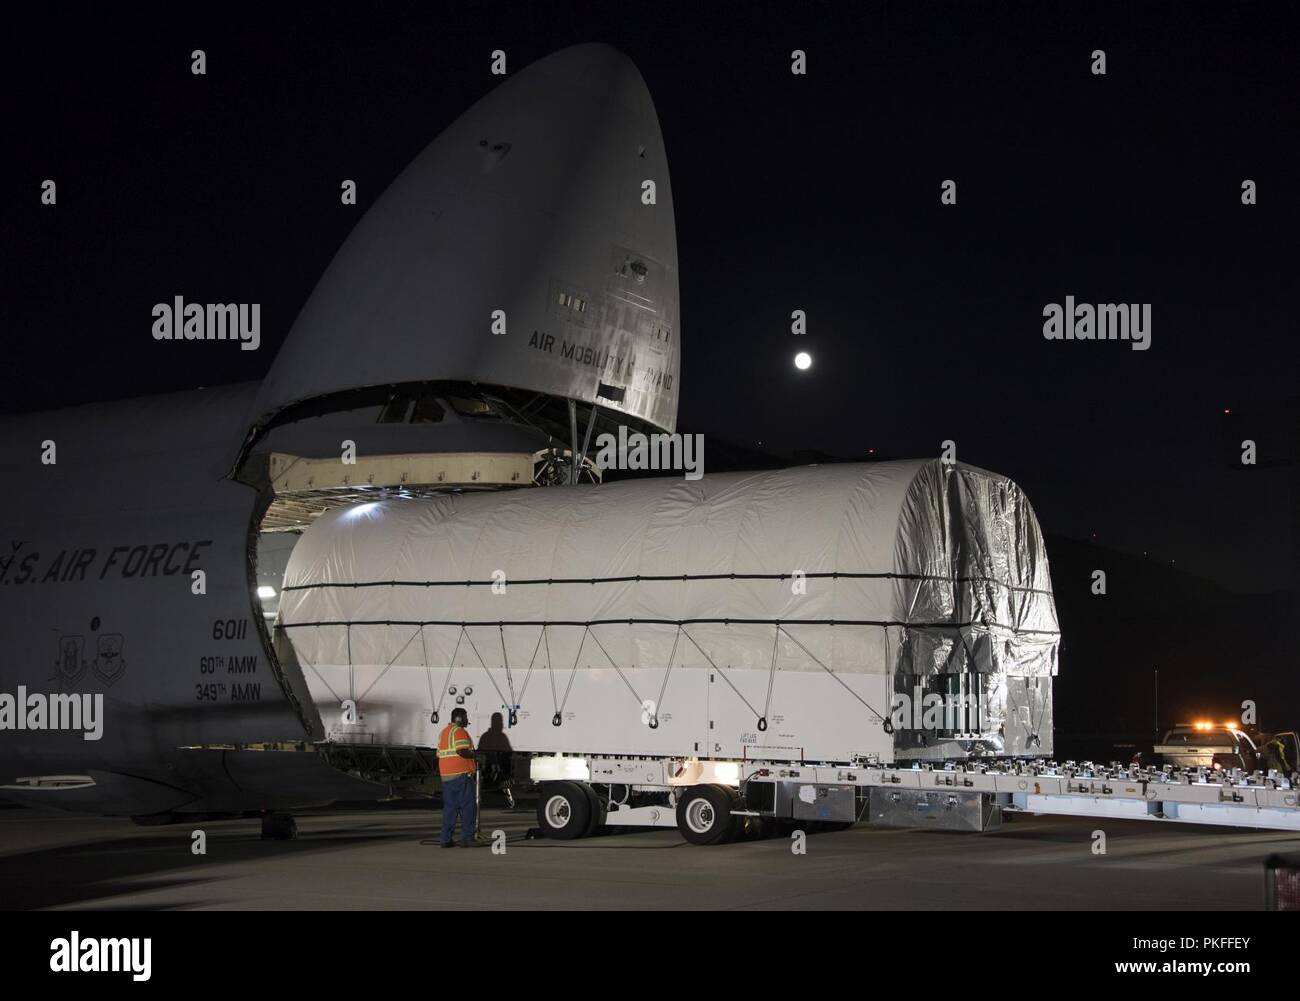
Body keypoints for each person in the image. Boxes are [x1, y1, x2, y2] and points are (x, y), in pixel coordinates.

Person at [437, 708, 479, 847]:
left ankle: (445, 839)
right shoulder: (459, 731)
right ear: (459, 718)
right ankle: (467, 838)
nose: (468, 720)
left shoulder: (443, 733)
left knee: (450, 809)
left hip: (446, 777)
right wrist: (476, 756)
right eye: (466, 717)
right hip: (461, 775)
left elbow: (440, 754)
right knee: (467, 807)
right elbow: (461, 751)